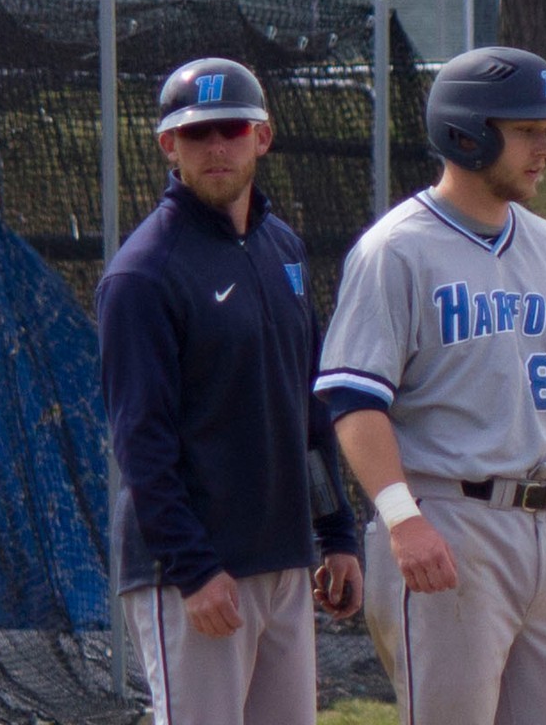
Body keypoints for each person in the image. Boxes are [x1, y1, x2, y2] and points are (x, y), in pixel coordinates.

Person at [314, 46, 546, 725]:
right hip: (451, 524)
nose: (545, 147)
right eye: (527, 130)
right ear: (468, 132)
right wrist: (403, 521)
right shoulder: (396, 249)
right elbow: (353, 401)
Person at [96, 57, 362, 725]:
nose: (216, 146)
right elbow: (141, 444)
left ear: (262, 138)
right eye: (196, 134)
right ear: (168, 146)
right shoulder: (143, 274)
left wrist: (336, 533)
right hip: (195, 571)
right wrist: (191, 568)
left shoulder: (285, 251)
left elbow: (307, 410)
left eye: (231, 130)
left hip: (282, 559)